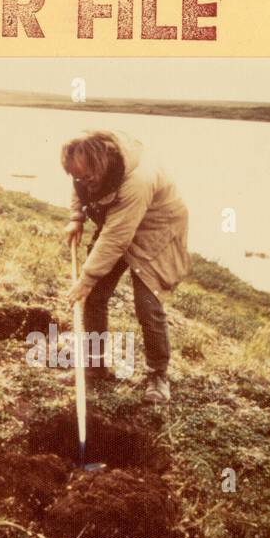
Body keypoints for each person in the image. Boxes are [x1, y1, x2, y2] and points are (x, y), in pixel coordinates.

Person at [61, 131, 190, 403]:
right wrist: (76, 217)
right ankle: (95, 367)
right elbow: (79, 186)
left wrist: (86, 278)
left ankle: (158, 375)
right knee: (95, 296)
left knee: (147, 306)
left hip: (157, 229)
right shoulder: (87, 166)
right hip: (119, 222)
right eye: (78, 176)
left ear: (103, 162)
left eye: (87, 177)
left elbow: (116, 238)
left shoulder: (137, 180)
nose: (83, 182)